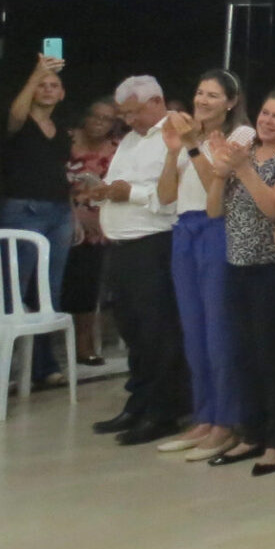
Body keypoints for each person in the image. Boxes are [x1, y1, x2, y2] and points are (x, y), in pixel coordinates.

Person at [202, 87, 275, 473]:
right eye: (264, 113)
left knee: (271, 357)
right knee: (241, 353)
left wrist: (242, 169)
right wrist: (221, 170)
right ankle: (249, 434)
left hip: (274, 267)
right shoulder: (243, 152)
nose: (267, 121)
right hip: (238, 264)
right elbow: (214, 210)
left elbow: (274, 209)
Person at [86, 76, 189, 445]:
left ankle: (164, 410)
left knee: (157, 332)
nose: (127, 121)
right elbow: (123, 184)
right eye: (123, 114)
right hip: (121, 245)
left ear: (156, 102)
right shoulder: (130, 139)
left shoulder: (175, 135)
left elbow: (173, 197)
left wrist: (132, 193)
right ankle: (139, 401)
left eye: (133, 112)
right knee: (131, 329)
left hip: (153, 243)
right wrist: (105, 192)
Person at [156, 69, 249, 461]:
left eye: (213, 95)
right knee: (193, 330)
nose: (203, 100)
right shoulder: (186, 135)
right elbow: (164, 196)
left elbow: (219, 185)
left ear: (230, 101)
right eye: (199, 92)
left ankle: (226, 421)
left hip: (218, 229)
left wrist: (194, 146)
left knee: (218, 330)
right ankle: (204, 415)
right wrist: (173, 149)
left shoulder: (240, 136)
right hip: (185, 229)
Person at [0, 53, 76, 383]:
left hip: (58, 211)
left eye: (53, 85)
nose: (46, 89)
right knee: (15, 290)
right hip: (23, 210)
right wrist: (37, 72)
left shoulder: (60, 132)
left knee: (50, 292)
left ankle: (44, 366)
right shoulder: (21, 121)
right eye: (41, 85)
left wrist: (73, 214)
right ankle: (2, 366)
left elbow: (61, 172)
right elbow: (14, 116)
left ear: (62, 94)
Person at [64, 96, 120, 366]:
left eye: (107, 119)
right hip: (64, 220)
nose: (99, 122)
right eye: (95, 116)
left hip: (101, 226)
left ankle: (83, 344)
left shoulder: (118, 149)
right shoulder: (66, 142)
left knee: (87, 285)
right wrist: (75, 212)